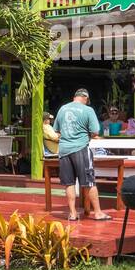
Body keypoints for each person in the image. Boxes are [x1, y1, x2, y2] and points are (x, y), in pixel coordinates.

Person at [52, 88, 109, 222]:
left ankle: (72, 213)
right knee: (89, 182)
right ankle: (98, 213)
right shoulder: (88, 110)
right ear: (85, 98)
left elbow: (57, 131)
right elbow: (95, 131)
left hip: (64, 150)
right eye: (87, 100)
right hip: (80, 149)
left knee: (69, 183)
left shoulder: (62, 109)